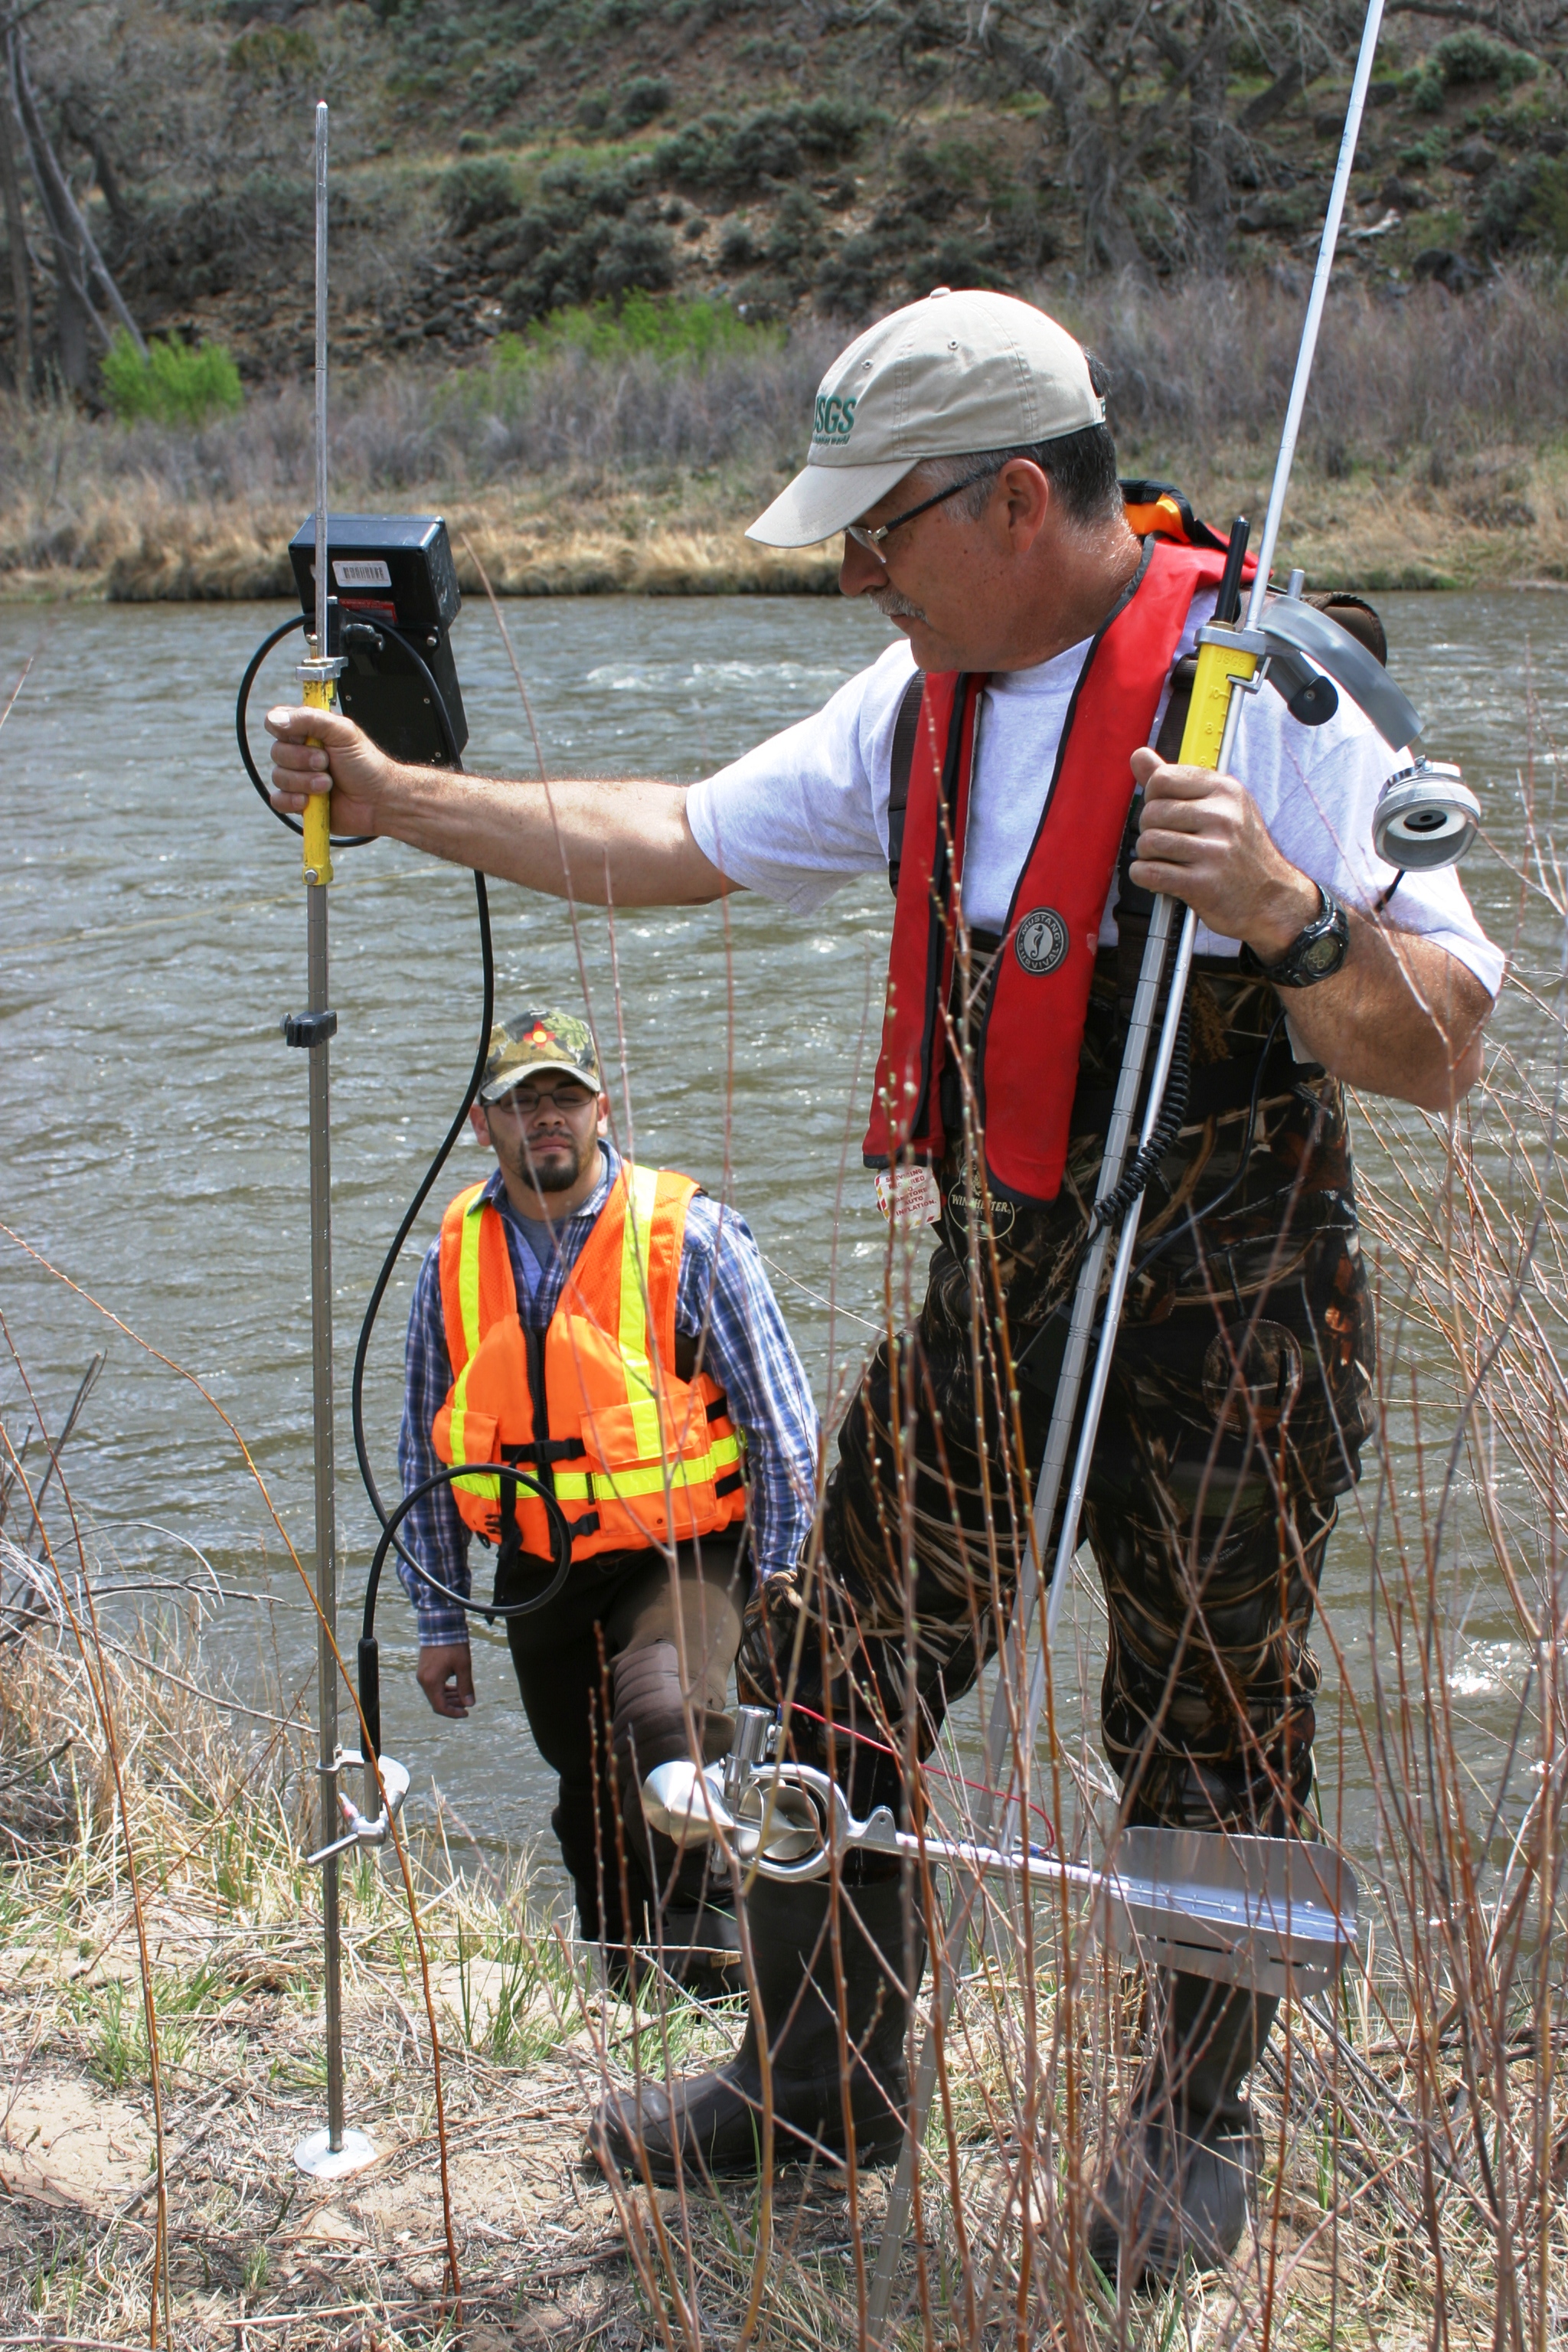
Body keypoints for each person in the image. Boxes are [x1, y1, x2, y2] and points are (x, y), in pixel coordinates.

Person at [269, 290, 1499, 2282]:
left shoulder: (1278, 694)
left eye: (877, 535)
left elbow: (1441, 1044)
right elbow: (674, 835)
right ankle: (819, 2073)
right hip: (996, 1304)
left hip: (1241, 1328)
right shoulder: (920, 703)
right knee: (828, 1657)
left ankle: (1196, 2128)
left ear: (1019, 500)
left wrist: (1283, 911)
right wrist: (402, 806)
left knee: (1208, 1725)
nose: (855, 578)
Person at [396, 1005, 819, 1981]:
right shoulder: (448, 1263)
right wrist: (438, 1622)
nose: (544, 1119)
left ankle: (714, 1974)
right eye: (520, 1102)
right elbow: (426, 1454)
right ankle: (627, 1980)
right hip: (540, 1569)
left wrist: (782, 1589)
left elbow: (784, 1433)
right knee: (588, 1786)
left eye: (564, 1099)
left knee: (663, 1718)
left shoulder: (692, 1237)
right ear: (482, 1122)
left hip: (689, 1551)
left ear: (601, 1109)